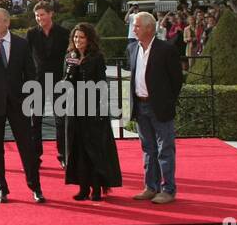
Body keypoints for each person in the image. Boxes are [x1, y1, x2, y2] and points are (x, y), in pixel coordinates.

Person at [0, 8, 44, 204]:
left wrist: (28, 97)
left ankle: (35, 187)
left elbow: (31, 73)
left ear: (7, 23)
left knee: (26, 147)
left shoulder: (21, 44)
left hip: (17, 103)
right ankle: (1, 188)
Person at [127, 12, 183, 204]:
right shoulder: (133, 48)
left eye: (136, 26)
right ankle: (151, 187)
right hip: (140, 105)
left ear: (149, 28)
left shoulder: (166, 49)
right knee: (148, 149)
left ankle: (168, 189)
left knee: (165, 149)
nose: (133, 29)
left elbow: (176, 80)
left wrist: (166, 101)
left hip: (159, 106)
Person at [63, 23, 122, 201]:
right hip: (75, 110)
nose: (77, 40)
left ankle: (96, 188)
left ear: (89, 39)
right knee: (78, 149)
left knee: (94, 150)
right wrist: (71, 71)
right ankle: (83, 188)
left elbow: (102, 85)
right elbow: (64, 83)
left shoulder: (96, 58)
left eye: (81, 37)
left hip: (93, 110)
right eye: (75, 37)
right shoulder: (69, 57)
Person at [26, 0, 71, 168]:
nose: (39, 18)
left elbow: (70, 56)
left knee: (61, 119)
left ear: (51, 14)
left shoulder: (64, 33)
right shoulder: (31, 34)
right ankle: (35, 157)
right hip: (37, 81)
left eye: (42, 15)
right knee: (34, 119)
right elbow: (27, 58)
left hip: (59, 81)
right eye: (37, 15)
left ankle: (63, 155)